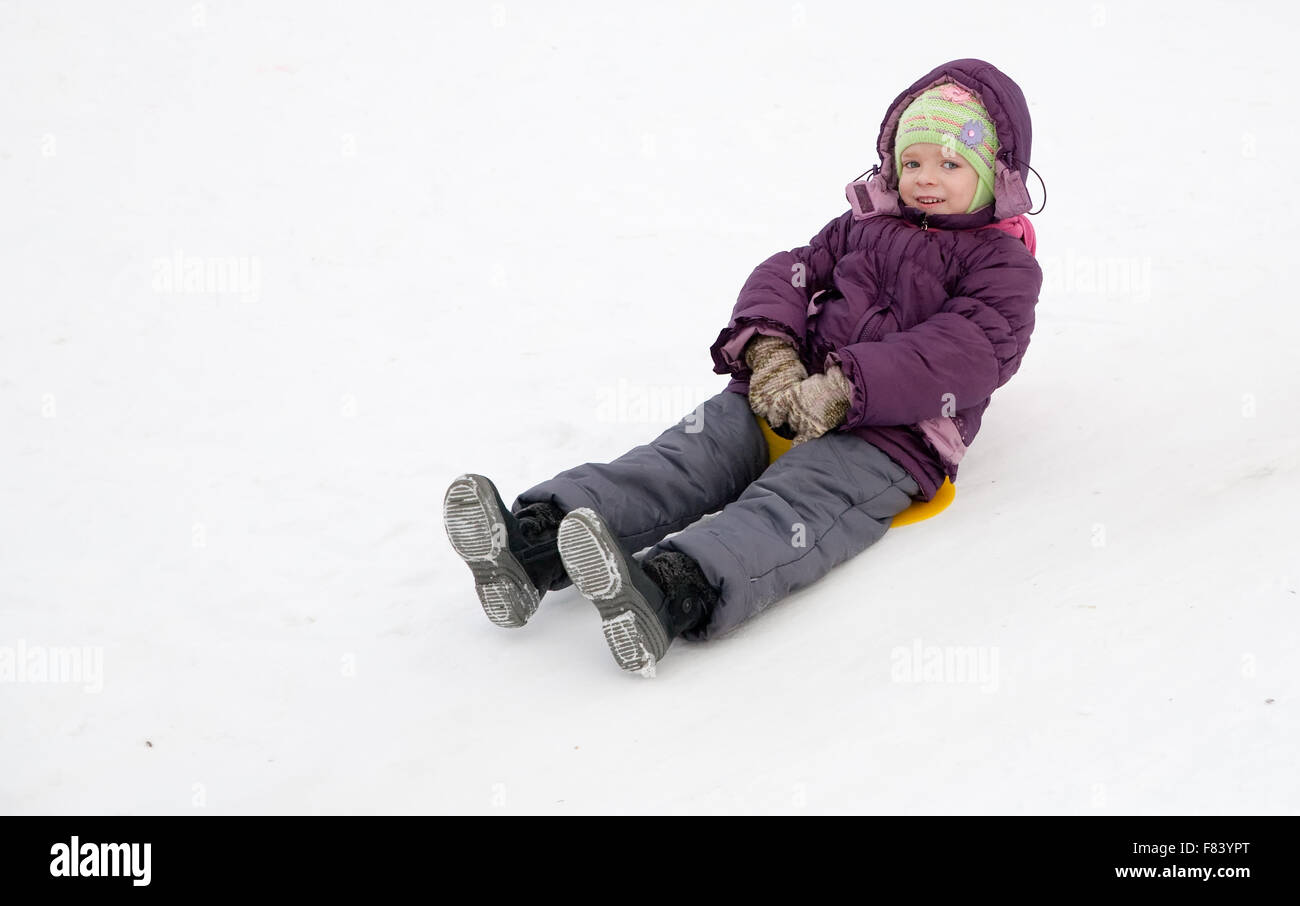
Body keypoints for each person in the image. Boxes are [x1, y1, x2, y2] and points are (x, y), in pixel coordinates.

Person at [443, 58, 1044, 678]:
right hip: (783, 395)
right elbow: (790, 271)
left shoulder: (1003, 266)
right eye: (913, 161)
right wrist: (771, 351)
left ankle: (668, 591)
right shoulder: (861, 225)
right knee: (681, 459)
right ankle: (532, 542)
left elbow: (970, 348)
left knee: (789, 507)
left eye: (950, 164)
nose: (926, 179)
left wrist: (845, 386)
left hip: (890, 437)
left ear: (994, 175)